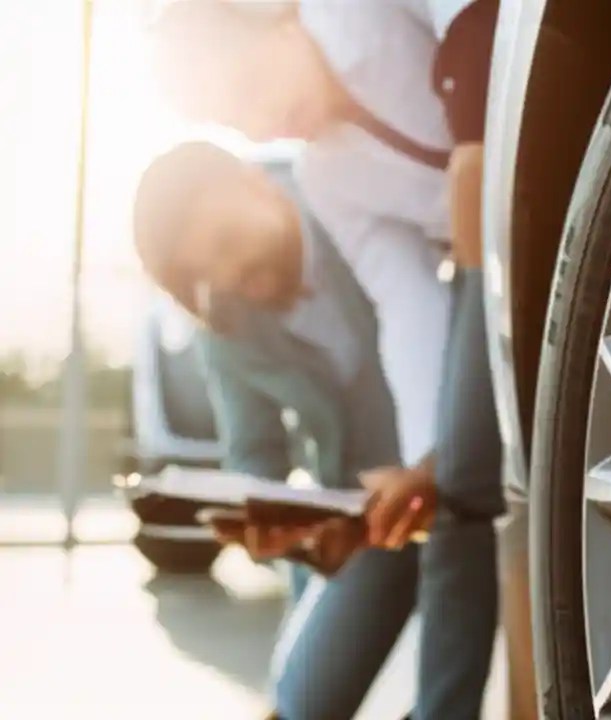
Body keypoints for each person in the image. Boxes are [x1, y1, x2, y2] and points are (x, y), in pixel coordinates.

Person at [150, 3, 505, 718]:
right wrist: (412, 467)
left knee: (458, 496)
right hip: (369, 512)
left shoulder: (354, 16)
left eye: (248, 86)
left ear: (275, 18)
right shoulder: (328, 176)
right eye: (235, 120)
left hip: (498, 240)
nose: (259, 123)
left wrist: (437, 463)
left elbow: (472, 22)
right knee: (298, 703)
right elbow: (408, 305)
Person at [131, 142, 456, 719]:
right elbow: (253, 449)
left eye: (227, 243)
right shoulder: (222, 318)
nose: (228, 275)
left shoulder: (350, 195)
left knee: (449, 681)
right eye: (205, 273)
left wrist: (430, 462)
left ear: (259, 185)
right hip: (356, 523)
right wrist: (266, 524)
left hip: (454, 468)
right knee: (302, 697)